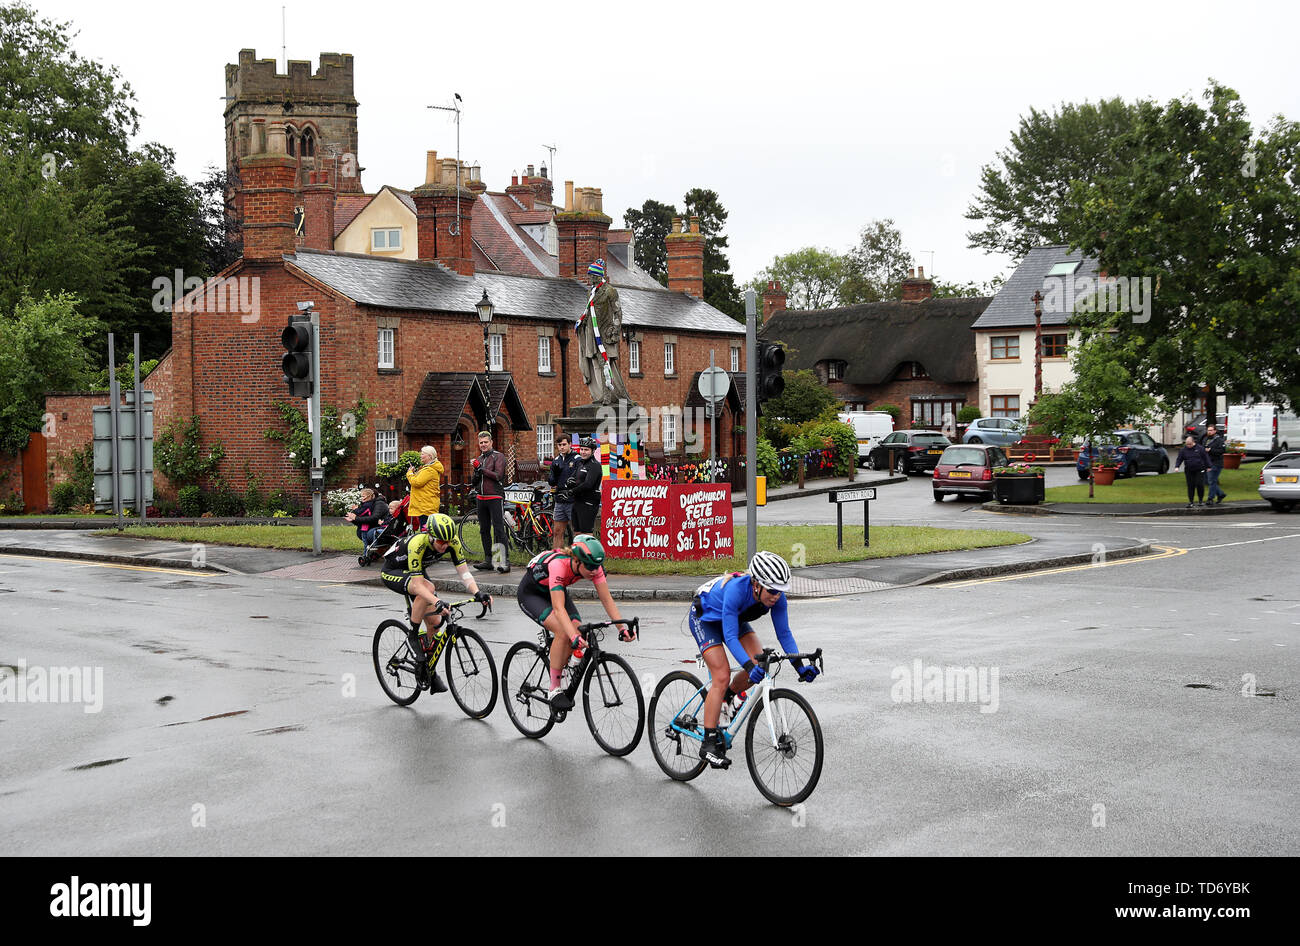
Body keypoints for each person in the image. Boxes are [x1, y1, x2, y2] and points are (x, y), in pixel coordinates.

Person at [687, 550, 818, 769]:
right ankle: (708, 743)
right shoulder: (736, 591)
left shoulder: (776, 598)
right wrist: (748, 666)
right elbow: (729, 636)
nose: (776, 596)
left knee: (760, 665)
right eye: (772, 590)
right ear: (756, 584)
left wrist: (800, 668)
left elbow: (784, 634)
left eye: (781, 591)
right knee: (721, 675)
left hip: (733, 618)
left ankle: (726, 698)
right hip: (706, 618)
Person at [516, 534, 634, 711]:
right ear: (577, 560)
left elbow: (607, 599)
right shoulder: (559, 565)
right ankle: (554, 688)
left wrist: (621, 628)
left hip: (555, 589)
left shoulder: (593, 567)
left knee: (578, 629)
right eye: (590, 567)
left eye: (597, 566)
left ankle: (561, 662)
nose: (594, 571)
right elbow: (558, 608)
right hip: (532, 594)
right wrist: (570, 635)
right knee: (564, 632)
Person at [381, 513, 492, 692]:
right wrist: (438, 601)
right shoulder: (418, 544)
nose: (445, 545)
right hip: (393, 570)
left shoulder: (451, 542)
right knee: (428, 588)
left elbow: (464, 573)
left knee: (434, 625)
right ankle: (413, 634)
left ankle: (427, 670)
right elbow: (418, 586)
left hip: (415, 572)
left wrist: (477, 592)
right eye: (441, 542)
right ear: (431, 536)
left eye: (448, 541)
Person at [576, 259, 632, 406]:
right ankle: (600, 394)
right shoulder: (591, 293)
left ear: (597, 276)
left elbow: (618, 313)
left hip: (605, 334)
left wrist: (615, 330)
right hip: (591, 333)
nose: (589, 278)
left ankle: (609, 396)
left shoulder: (610, 291)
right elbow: (589, 312)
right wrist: (581, 322)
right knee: (594, 362)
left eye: (591, 275)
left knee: (604, 363)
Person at [472, 431, 510, 573]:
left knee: (499, 530)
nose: (483, 445)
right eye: (481, 442)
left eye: (485, 442)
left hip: (495, 497)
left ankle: (504, 562)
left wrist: (481, 469)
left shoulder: (498, 457)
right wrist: (476, 472)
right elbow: (474, 481)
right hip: (481, 498)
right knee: (484, 530)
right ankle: (488, 560)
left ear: (491, 442)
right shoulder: (479, 458)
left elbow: (498, 476)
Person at [564, 436, 604, 535]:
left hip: (589, 502)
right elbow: (574, 480)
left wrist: (571, 491)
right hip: (577, 501)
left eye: (586, 450)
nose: (583, 452)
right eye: (581, 449)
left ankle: (589, 551)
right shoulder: (581, 463)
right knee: (577, 533)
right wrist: (569, 483)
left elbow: (588, 484)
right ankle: (578, 551)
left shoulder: (595, 465)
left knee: (586, 534)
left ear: (593, 450)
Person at [547, 433, 578, 549]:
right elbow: (551, 482)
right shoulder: (556, 460)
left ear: (570, 444)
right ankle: (557, 558)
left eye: (564, 444)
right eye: (559, 445)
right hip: (559, 499)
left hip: (572, 500)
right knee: (557, 531)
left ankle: (576, 559)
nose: (561, 447)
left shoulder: (576, 459)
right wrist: (554, 473)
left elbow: (578, 479)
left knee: (576, 532)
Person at [405, 445, 444, 530]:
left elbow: (417, 483)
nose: (420, 456)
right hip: (426, 504)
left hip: (426, 506)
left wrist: (410, 473)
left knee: (426, 531)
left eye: (423, 454)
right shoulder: (428, 468)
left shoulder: (429, 470)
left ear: (429, 456)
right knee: (427, 530)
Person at [345, 487, 389, 554]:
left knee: (366, 544)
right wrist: (353, 519)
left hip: (374, 529)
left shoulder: (377, 504)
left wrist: (355, 515)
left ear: (370, 496)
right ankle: (369, 554)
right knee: (365, 542)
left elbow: (372, 518)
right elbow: (363, 518)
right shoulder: (368, 504)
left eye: (363, 496)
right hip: (366, 528)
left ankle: (366, 555)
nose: (362, 498)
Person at [1174, 435, 1212, 507]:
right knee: (1190, 485)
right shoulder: (1183, 450)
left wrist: (1209, 466)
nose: (1188, 446)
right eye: (1187, 444)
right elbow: (1179, 459)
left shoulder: (1200, 448)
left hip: (1200, 469)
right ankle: (1191, 502)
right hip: (1189, 469)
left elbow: (1205, 457)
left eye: (1190, 444)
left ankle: (1200, 500)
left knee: (1199, 484)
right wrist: (1177, 466)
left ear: (1193, 442)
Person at [1203, 423, 1228, 504]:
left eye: (1211, 430)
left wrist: (1211, 450)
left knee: (1211, 480)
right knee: (1211, 481)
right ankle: (1220, 494)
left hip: (1216, 463)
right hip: (1208, 462)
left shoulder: (1219, 440)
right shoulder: (1206, 439)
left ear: (1215, 431)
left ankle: (1210, 498)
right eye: (1208, 430)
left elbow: (1222, 451)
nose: (1209, 432)